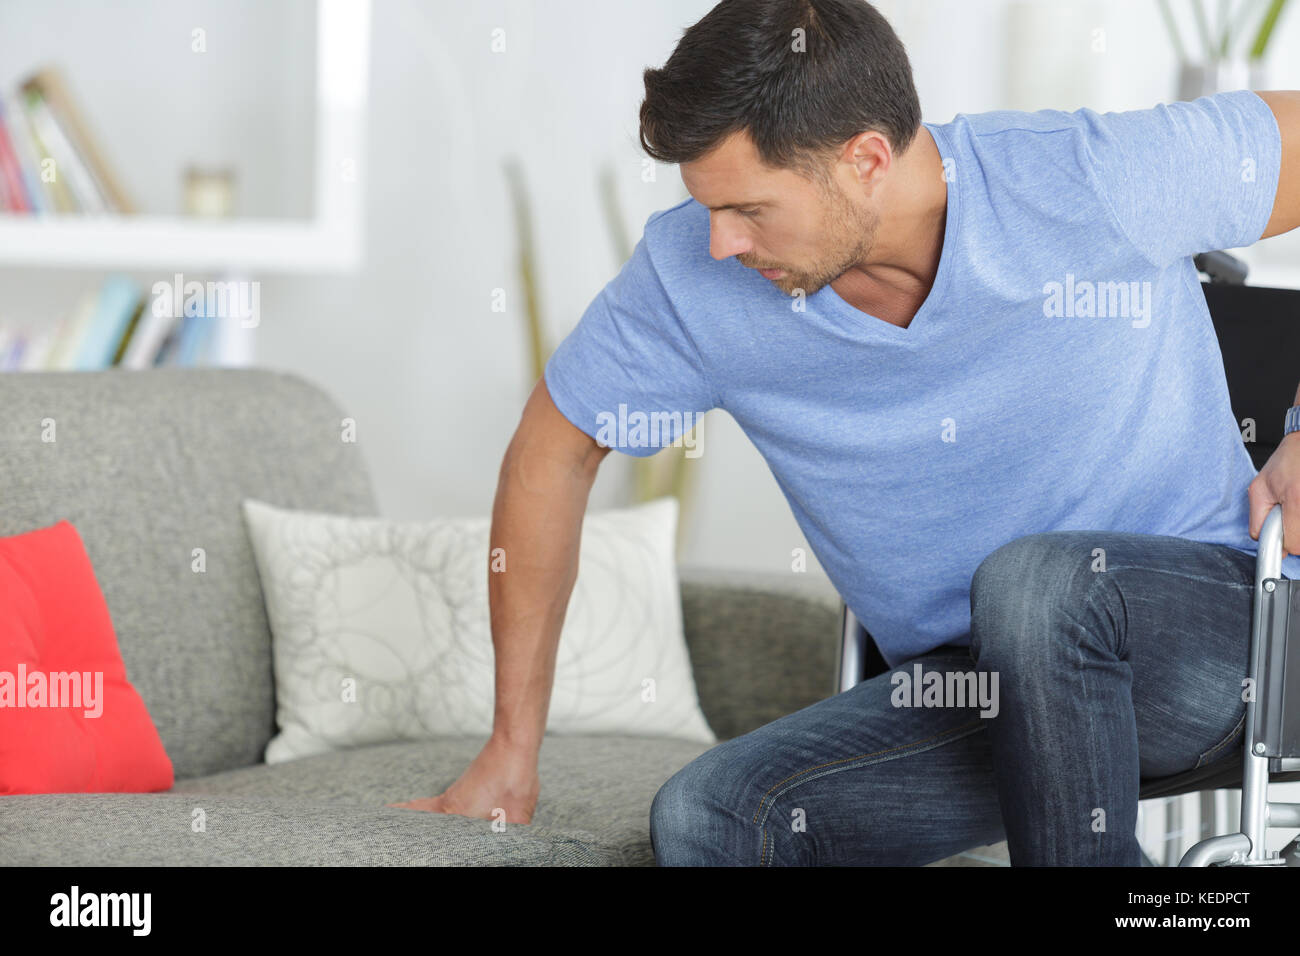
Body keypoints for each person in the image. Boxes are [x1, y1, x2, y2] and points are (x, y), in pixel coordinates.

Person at [394, 0, 1300, 865]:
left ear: (866, 159)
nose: (720, 245)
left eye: (749, 209)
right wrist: (512, 750)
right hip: (981, 689)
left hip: (1232, 640)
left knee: (1040, 586)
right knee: (715, 817)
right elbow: (552, 450)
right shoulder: (694, 279)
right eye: (709, 208)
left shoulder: (1088, 176)